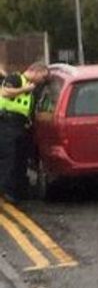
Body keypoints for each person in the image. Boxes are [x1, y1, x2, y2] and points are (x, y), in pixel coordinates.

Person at [0, 62, 49, 202]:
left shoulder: (32, 89)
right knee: (7, 159)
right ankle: (5, 192)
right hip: (6, 122)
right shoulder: (16, 78)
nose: (43, 81)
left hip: (20, 126)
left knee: (19, 161)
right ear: (36, 71)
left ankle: (15, 192)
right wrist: (24, 89)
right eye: (43, 77)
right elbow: (4, 92)